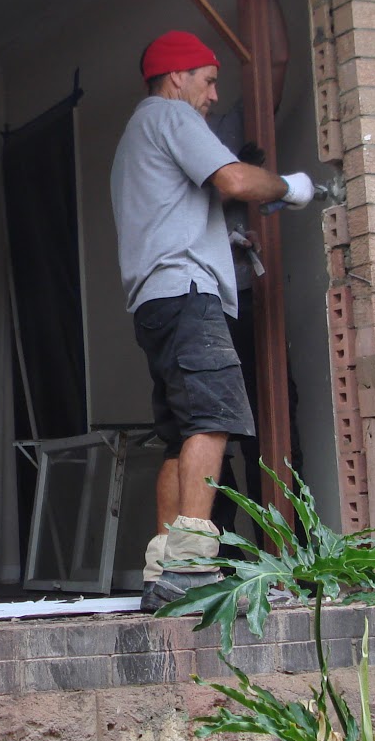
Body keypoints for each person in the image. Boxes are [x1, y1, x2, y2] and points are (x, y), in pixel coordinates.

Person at [110, 30, 314, 612]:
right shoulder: (171, 115)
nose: (214, 94)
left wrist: (225, 231)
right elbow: (235, 179)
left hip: (154, 301)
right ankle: (193, 568)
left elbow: (177, 212)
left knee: (180, 437)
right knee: (212, 418)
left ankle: (162, 568)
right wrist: (291, 188)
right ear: (177, 77)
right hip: (188, 295)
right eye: (208, 80)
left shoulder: (133, 137)